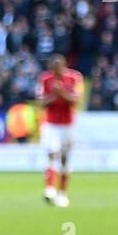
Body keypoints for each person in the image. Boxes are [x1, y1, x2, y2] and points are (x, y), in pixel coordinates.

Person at [38, 53, 83, 208]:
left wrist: (61, 93)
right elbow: (41, 102)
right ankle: (50, 189)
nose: (56, 72)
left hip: (68, 124)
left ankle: (62, 194)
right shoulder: (45, 79)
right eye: (54, 69)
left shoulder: (75, 78)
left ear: (64, 66)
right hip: (51, 124)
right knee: (52, 153)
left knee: (65, 159)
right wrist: (53, 96)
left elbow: (77, 100)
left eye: (59, 69)